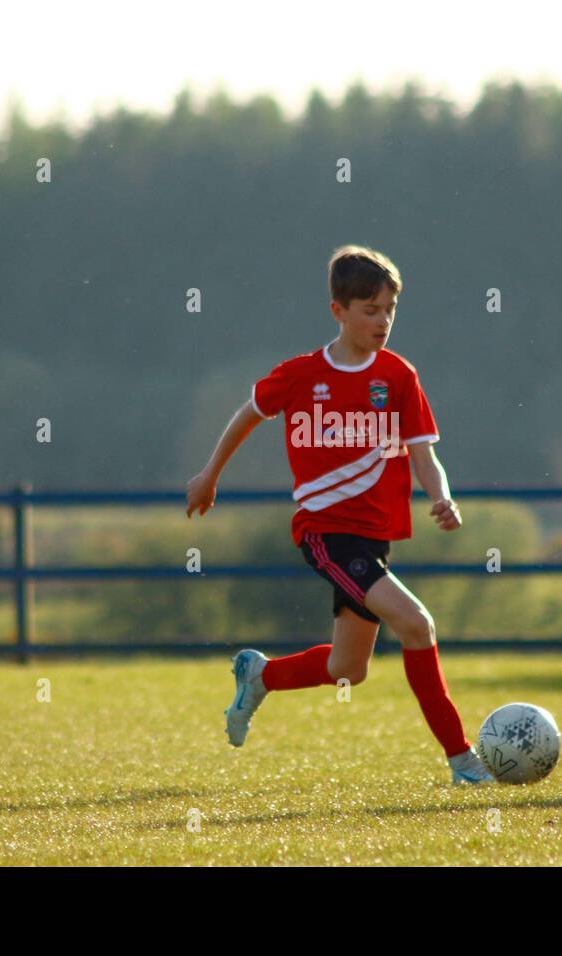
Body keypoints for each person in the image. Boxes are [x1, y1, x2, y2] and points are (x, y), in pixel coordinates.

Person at [186, 245, 496, 784]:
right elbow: (248, 413)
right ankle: (462, 759)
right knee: (417, 624)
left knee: (347, 669)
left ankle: (260, 675)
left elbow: (424, 452)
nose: (382, 321)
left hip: (374, 538)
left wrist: (440, 497)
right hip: (326, 534)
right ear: (338, 310)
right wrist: (209, 474)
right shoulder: (303, 374)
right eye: (370, 310)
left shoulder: (398, 376)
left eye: (389, 310)